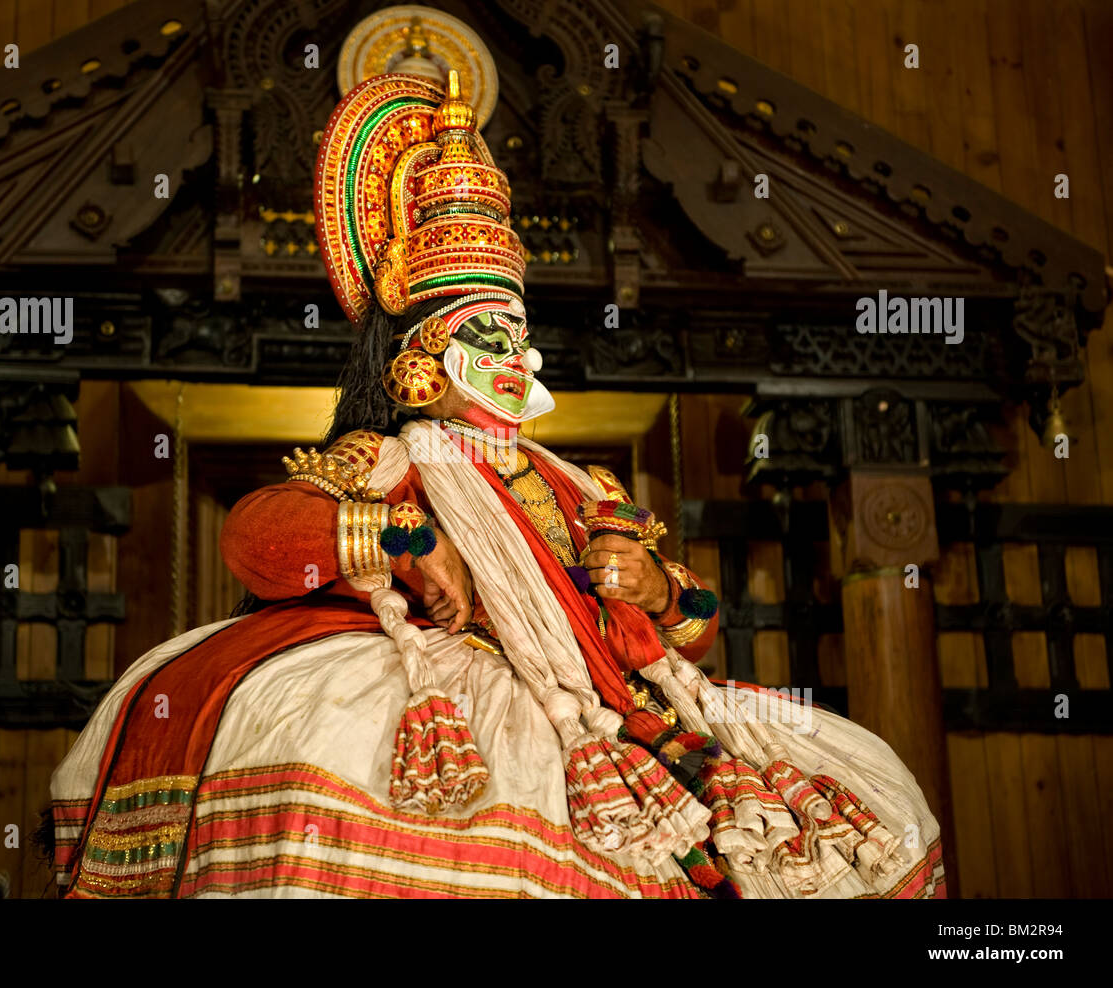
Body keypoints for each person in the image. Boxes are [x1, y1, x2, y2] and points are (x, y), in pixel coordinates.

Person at [49, 71, 944, 898]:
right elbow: (260, 536)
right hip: (468, 698)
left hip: (622, 709)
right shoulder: (388, 459)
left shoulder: (580, 485)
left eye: (519, 338)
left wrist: (654, 584)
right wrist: (412, 542)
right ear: (421, 367)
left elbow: (694, 627)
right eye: (486, 339)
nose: (514, 360)